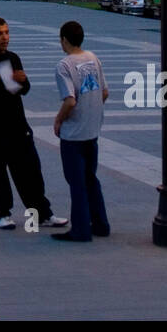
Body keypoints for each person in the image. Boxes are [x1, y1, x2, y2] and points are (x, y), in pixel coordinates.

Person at [0, 16, 66, 230]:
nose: (5, 38)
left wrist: (24, 81)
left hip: (18, 126)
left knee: (31, 171)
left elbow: (23, 90)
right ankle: (2, 213)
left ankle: (42, 213)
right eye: (0, 33)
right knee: (0, 174)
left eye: (7, 32)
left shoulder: (13, 58)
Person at [51, 20, 110, 242]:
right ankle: (101, 223)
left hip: (73, 133)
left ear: (64, 39)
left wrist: (58, 121)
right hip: (92, 130)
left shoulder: (64, 66)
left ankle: (81, 229)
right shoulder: (93, 58)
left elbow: (69, 100)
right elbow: (104, 92)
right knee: (90, 178)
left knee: (76, 182)